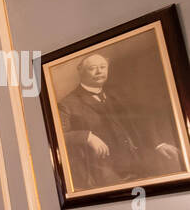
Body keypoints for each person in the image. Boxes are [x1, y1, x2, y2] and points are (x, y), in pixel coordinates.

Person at [57, 52, 182, 190]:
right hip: (102, 174)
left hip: (136, 164)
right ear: (80, 71)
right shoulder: (67, 103)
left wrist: (158, 144)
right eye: (92, 68)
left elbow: (138, 121)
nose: (99, 72)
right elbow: (58, 135)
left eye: (103, 67)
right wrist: (86, 136)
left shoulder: (115, 94)